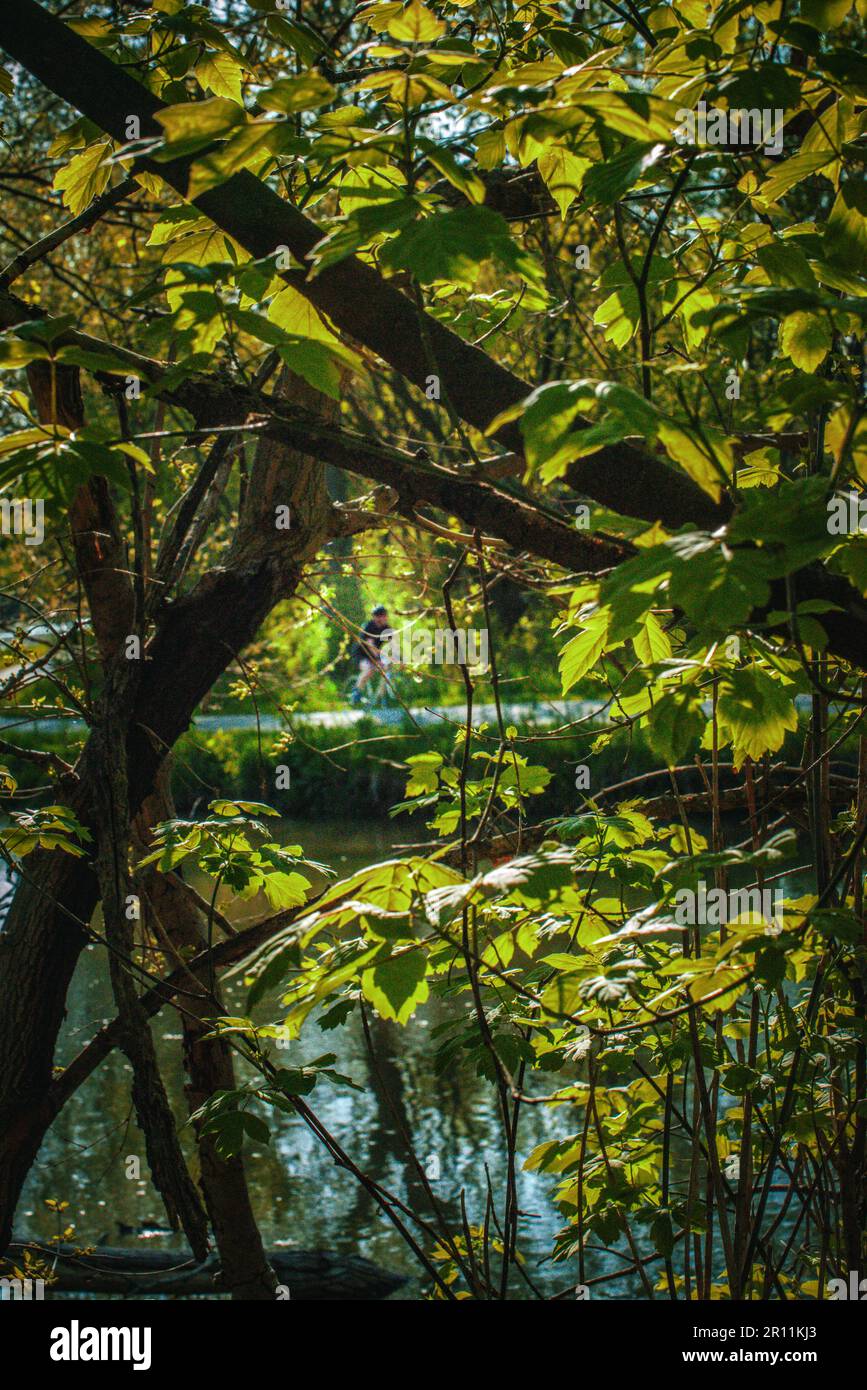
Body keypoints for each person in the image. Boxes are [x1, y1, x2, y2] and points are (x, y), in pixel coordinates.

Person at [350, 605, 392, 706]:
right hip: (362, 654)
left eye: (385, 616)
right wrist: (378, 659)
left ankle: (380, 696)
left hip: (375, 654)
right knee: (368, 669)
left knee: (387, 668)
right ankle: (356, 691)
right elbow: (370, 645)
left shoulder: (387, 629)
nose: (384, 618)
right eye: (380, 616)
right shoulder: (369, 626)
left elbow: (393, 644)